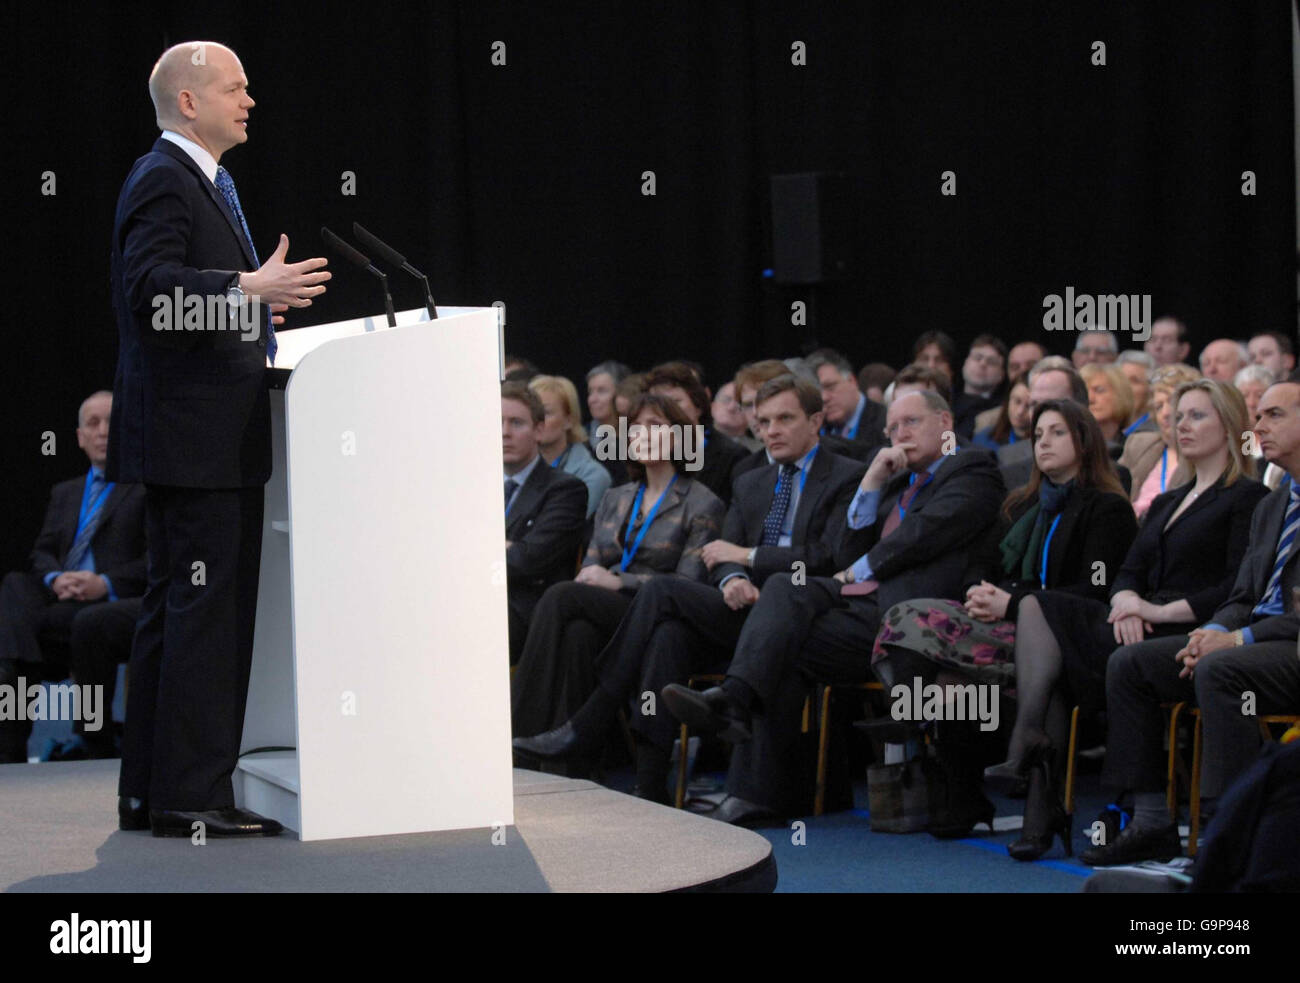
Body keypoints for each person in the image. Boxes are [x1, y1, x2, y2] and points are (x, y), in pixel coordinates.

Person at [109, 42, 330, 838]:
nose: (252, 99)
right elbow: (153, 296)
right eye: (236, 87)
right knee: (202, 617)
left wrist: (250, 305)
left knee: (177, 614)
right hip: (195, 443)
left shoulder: (195, 181)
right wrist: (248, 288)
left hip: (197, 439)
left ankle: (151, 791)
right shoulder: (166, 177)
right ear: (191, 102)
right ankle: (192, 794)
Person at [513, 375, 866, 802]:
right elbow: (720, 555)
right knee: (665, 635)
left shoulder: (847, 476)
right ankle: (651, 785)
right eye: (765, 420)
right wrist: (732, 577)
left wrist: (748, 561)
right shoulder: (749, 479)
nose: (771, 429)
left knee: (652, 594)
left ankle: (589, 722)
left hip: (795, 610)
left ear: (816, 420)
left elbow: (831, 555)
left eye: (785, 418)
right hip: (734, 606)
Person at [661, 390, 1006, 824]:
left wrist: (860, 570)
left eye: (911, 422)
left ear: (945, 421)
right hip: (860, 608)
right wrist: (871, 484)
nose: (900, 434)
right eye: (893, 427)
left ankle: (751, 763)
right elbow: (844, 550)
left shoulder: (973, 469)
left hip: (913, 620)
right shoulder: (894, 479)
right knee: (784, 597)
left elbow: (925, 532)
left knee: (782, 643)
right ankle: (739, 715)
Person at [991, 381, 1263, 860]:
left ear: (1230, 424)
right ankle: (1036, 766)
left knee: (1066, 655)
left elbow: (1234, 588)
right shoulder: (1165, 501)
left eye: (1197, 416)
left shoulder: (1247, 497)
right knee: (1042, 616)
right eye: (1179, 416)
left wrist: (1151, 610)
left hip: (1192, 628)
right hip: (1135, 620)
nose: (1182, 425)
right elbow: (1126, 572)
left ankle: (1113, 809)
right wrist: (1125, 603)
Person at [873, 400, 1136, 841]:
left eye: (1057, 433)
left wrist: (1012, 603)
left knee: (918, 626)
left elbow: (1096, 593)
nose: (1044, 443)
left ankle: (912, 720)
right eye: (1038, 436)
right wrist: (980, 591)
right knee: (929, 653)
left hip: (1074, 638)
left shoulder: (1107, 508)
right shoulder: (1021, 504)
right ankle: (958, 787)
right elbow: (981, 563)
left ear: (1084, 442)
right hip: (1005, 629)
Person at [1081, 378, 1300, 866]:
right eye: (1258, 415)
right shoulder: (1275, 504)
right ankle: (1153, 821)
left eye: (1274, 415)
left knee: (1219, 670)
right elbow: (1243, 595)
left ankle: (1230, 832)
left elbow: (1261, 604)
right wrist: (1216, 631)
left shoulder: (1247, 499)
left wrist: (1233, 638)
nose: (1259, 426)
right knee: (1131, 662)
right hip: (1250, 636)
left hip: (1287, 644)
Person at [511, 394, 724, 754]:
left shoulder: (702, 502)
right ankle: (572, 761)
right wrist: (600, 580)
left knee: (562, 596)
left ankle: (520, 728)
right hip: (610, 607)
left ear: (680, 438)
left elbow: (687, 587)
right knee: (578, 630)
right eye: (636, 427)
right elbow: (592, 563)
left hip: (659, 612)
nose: (642, 434)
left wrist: (619, 581)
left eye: (655, 426)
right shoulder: (616, 497)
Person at [0, 392, 146, 763]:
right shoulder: (65, 493)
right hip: (61, 602)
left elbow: (157, 560)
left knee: (54, 631)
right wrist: (53, 578)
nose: (102, 431)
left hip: (114, 603)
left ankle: (92, 739)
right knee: (15, 585)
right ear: (80, 436)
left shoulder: (146, 488)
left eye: (110, 421)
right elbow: (42, 552)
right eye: (93, 424)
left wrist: (106, 583)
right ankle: (9, 747)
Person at [501, 382, 589, 664]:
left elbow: (528, 559)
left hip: (523, 613)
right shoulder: (470, 486)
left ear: (539, 430)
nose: (504, 432)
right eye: (497, 422)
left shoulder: (565, 489)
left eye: (516, 423)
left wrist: (473, 551)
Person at [645, 361, 747, 505]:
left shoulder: (732, 457)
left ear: (698, 406)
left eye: (675, 402)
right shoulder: (645, 455)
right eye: (657, 404)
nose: (665, 411)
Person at [1120, 364, 1202, 518]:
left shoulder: (1205, 452)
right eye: (1158, 406)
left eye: (1172, 402)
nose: (1165, 413)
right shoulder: (1138, 444)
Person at [528, 375, 612, 520]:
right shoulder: (514, 468)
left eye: (546, 413)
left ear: (569, 420)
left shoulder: (593, 476)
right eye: (532, 413)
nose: (537, 421)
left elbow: (559, 532)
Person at [807, 348, 887, 460]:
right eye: (817, 392)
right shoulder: (816, 430)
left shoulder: (884, 422)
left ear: (852, 381)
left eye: (830, 386)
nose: (824, 397)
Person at [952, 334, 1007, 439]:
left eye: (991, 362)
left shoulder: (1003, 413)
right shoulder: (946, 400)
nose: (983, 364)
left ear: (1001, 375)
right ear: (965, 363)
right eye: (977, 358)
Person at [585, 360, 631, 484]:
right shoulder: (582, 438)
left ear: (621, 394)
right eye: (590, 392)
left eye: (601, 391)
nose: (592, 399)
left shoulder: (637, 437)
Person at [1080, 362, 1137, 445]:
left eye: (1099, 390)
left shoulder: (1136, 449)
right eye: (1084, 391)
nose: (1090, 399)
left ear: (1121, 395)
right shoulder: (1071, 449)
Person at [973, 373, 1031, 450]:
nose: (1020, 411)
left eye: (1029, 405)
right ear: (1008, 401)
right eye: (1017, 401)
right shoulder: (983, 439)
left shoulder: (1041, 446)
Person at [1116, 350, 1155, 434]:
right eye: (1122, 379)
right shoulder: (1107, 427)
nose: (1126, 387)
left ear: (1151, 387)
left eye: (1134, 381)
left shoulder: (1155, 433)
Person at [711, 381, 758, 449]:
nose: (732, 407)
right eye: (726, 400)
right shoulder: (694, 443)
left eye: (739, 403)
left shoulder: (761, 450)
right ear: (713, 407)